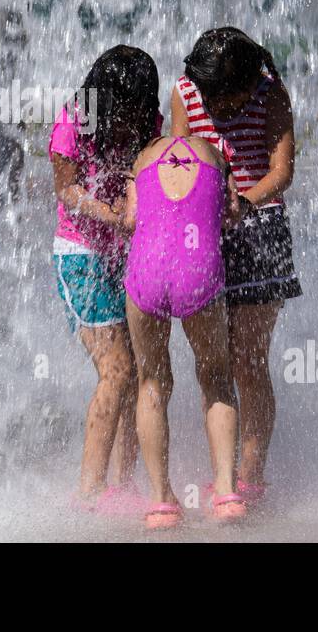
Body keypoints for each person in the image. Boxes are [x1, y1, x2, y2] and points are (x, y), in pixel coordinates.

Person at [172, 27, 302, 503]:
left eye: (226, 103)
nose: (218, 111)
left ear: (249, 85)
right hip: (202, 234)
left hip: (260, 232)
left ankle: (251, 473)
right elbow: (177, 160)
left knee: (249, 362)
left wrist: (244, 202)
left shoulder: (271, 95)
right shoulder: (186, 93)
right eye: (212, 101)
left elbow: (282, 171)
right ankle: (223, 473)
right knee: (213, 362)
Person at [49, 45, 160, 511]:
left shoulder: (147, 122)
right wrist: (111, 215)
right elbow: (66, 189)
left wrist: (135, 210)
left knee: (135, 372)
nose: (132, 120)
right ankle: (88, 491)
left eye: (141, 108)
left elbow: (141, 175)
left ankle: (122, 485)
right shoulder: (72, 123)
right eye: (125, 110)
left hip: (124, 255)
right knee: (115, 371)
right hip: (80, 254)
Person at [123, 135, 245, 529]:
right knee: (216, 377)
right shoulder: (216, 154)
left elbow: (130, 220)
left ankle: (161, 503)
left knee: (152, 382)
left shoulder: (142, 158)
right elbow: (232, 213)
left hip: (148, 266)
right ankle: (226, 492)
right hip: (198, 268)